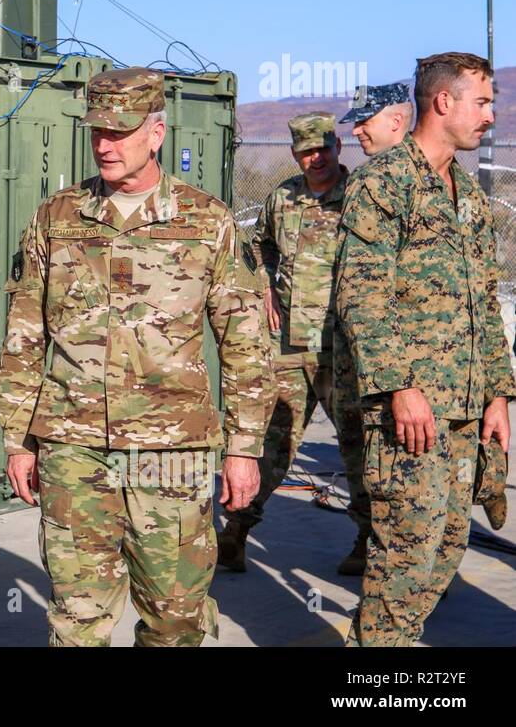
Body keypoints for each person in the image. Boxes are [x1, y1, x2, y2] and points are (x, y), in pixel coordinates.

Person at [0, 67, 273, 647]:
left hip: (171, 453)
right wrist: (18, 439)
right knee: (77, 618)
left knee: (176, 618)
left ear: (157, 133)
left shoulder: (207, 223)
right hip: (74, 449)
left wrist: (244, 449)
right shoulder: (56, 218)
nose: (105, 144)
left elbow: (245, 343)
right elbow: (24, 336)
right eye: (98, 131)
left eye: (120, 131)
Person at [337, 52, 513, 646]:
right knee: (402, 566)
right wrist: (399, 387)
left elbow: (485, 303)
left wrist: (498, 394)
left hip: (464, 414)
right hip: (409, 415)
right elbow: (360, 297)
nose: (491, 115)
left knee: (444, 551)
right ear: (444, 102)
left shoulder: (467, 193)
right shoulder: (383, 182)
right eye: (483, 102)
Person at [218, 113, 348, 572]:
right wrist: (265, 285)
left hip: (343, 350)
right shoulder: (284, 198)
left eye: (323, 149)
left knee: (361, 449)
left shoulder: (359, 199)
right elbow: (257, 244)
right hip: (290, 346)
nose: (316, 159)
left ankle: (378, 545)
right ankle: (234, 535)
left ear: (338, 146)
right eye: (306, 152)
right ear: (295, 154)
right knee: (272, 446)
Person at [327, 82, 414, 575]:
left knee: (398, 468)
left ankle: (409, 565)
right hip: (349, 354)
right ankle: (369, 537)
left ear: (397, 120)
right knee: (357, 454)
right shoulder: (368, 179)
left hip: (398, 365)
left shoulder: (412, 183)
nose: (357, 129)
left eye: (367, 120)